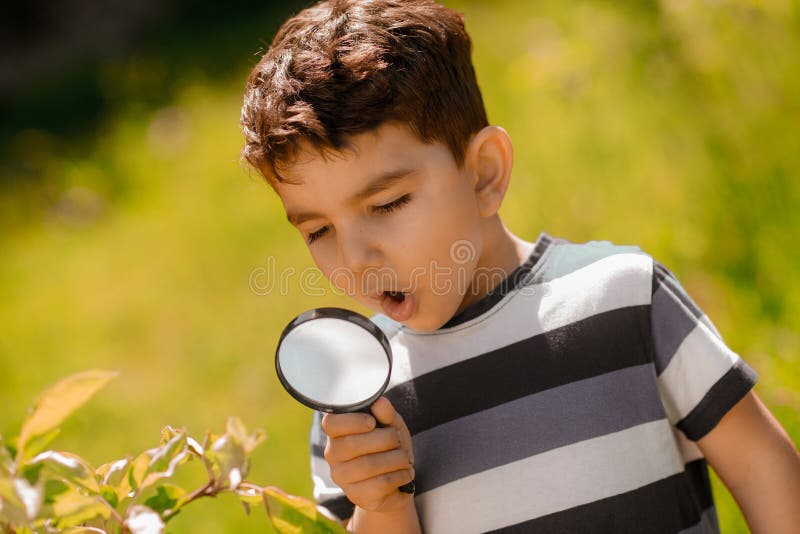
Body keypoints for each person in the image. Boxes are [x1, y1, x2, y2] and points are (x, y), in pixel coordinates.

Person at [239, 1, 800, 532]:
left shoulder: (623, 300)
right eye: (318, 231)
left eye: (387, 205)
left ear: (483, 174)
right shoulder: (358, 403)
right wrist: (381, 506)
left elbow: (764, 470)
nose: (355, 257)